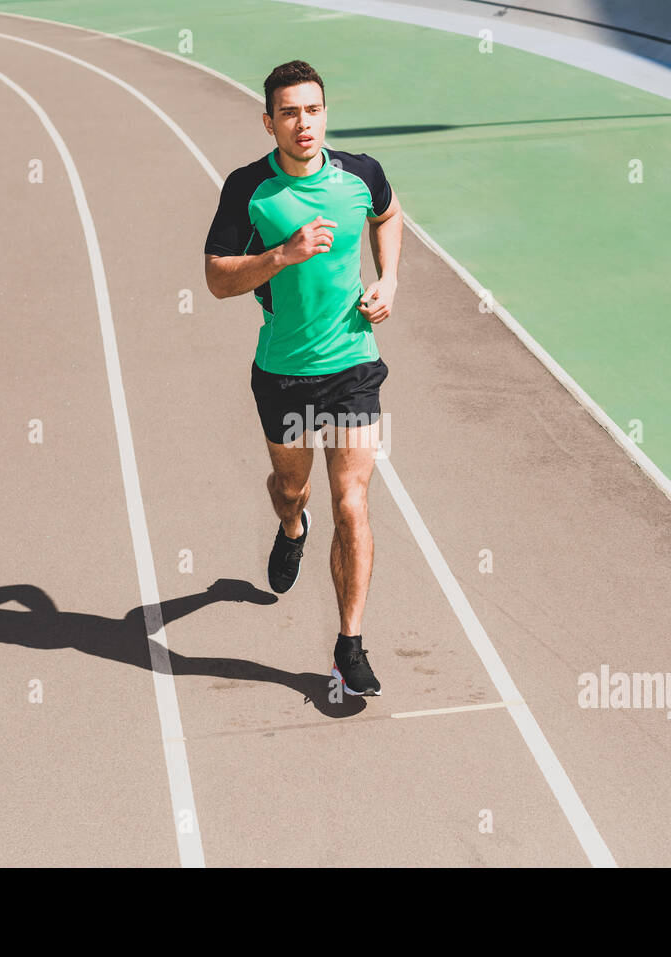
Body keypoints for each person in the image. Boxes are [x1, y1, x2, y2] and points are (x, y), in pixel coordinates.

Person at [203, 60, 403, 696]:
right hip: (284, 377)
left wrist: (388, 279)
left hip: (352, 367)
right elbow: (216, 279)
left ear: (325, 114)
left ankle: (350, 644)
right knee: (294, 489)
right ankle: (291, 528)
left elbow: (390, 216)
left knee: (353, 502)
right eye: (289, 112)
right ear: (270, 122)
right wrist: (281, 255)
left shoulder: (361, 175)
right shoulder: (247, 190)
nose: (303, 123)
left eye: (312, 110)